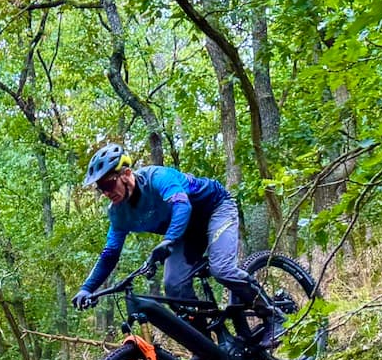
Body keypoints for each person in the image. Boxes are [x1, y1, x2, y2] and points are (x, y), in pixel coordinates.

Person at [71, 144, 282, 344]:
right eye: (101, 188)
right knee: (174, 286)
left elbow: (182, 206)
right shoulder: (118, 213)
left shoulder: (157, 177)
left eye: (109, 184)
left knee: (222, 269)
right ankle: (205, 346)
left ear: (126, 174)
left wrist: (168, 241)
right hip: (186, 232)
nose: (106, 192)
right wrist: (87, 288)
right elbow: (110, 254)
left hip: (216, 210)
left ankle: (274, 316)